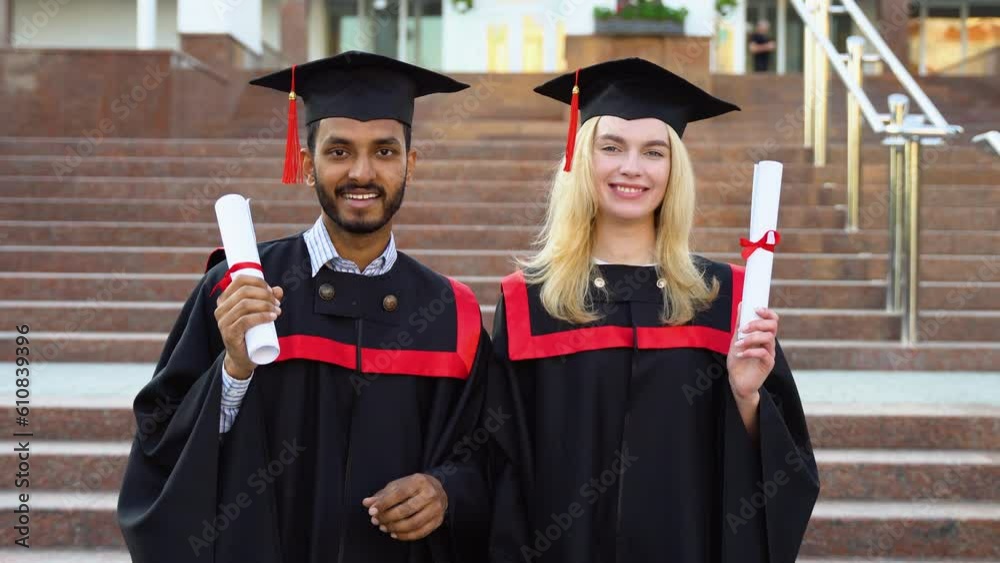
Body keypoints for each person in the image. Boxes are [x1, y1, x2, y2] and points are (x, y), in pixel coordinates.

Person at [117, 51, 495, 563]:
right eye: (339, 152)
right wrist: (233, 369)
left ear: (410, 163)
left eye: (384, 152)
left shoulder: (452, 313)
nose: (362, 172)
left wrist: (446, 491)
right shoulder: (236, 291)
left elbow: (493, 454)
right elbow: (161, 440)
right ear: (304, 162)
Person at [489, 58, 820, 563]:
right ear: (581, 159)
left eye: (654, 152)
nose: (632, 168)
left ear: (674, 169)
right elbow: (500, 465)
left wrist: (747, 398)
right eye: (612, 147)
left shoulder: (723, 298)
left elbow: (782, 472)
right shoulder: (530, 302)